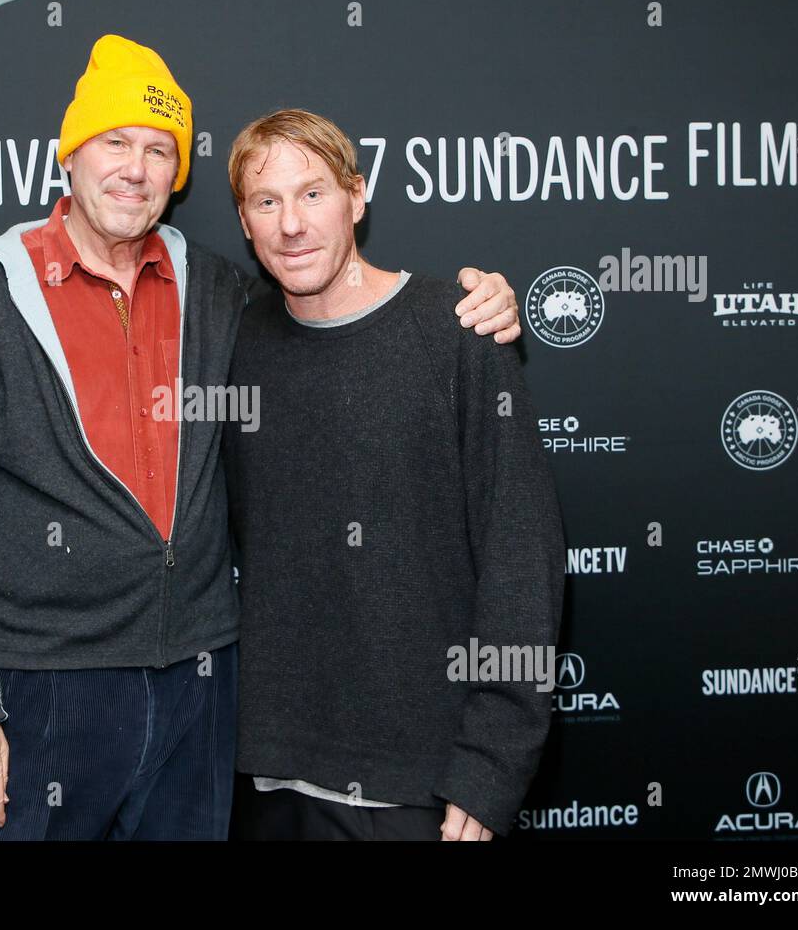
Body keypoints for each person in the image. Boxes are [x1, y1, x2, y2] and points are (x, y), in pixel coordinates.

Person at [0, 35, 523, 841]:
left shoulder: (221, 294)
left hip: (200, 687)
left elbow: (345, 315)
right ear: (70, 157)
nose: (136, 168)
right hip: (40, 693)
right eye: (114, 142)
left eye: (160, 151)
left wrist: (478, 305)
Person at [222, 109, 565, 841]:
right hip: (261, 777)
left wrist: (491, 765)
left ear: (358, 196)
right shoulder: (231, 341)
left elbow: (522, 557)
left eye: (313, 194)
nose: (291, 224)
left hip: (423, 787)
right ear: (244, 224)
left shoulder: (460, 331)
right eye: (266, 201)